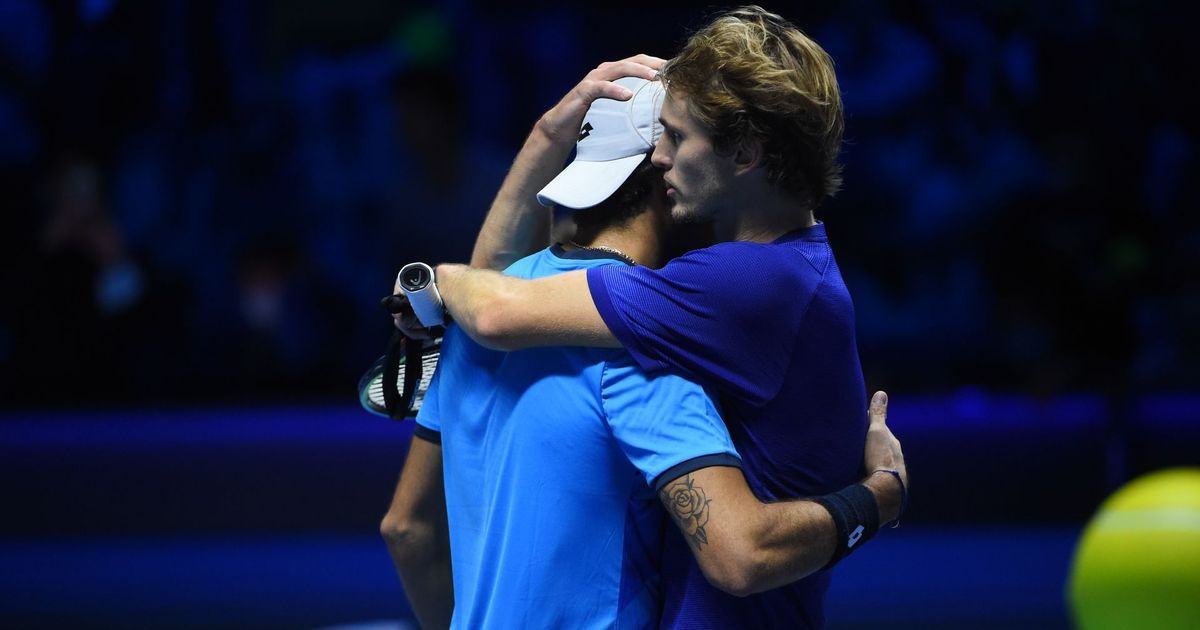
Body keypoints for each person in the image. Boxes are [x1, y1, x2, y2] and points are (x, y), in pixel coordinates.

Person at [399, 7, 887, 628]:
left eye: (679, 137)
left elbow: (494, 312)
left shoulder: (734, 287)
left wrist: (439, 280)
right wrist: (552, 134)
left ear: (744, 153)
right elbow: (500, 303)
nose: (659, 155)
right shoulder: (768, 274)